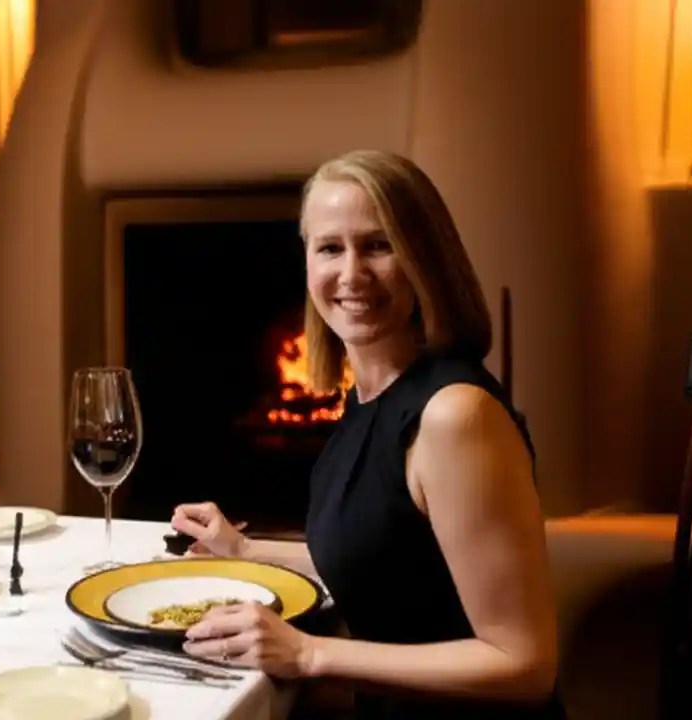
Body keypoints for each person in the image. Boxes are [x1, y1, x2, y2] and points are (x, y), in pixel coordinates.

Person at [172, 150, 565, 719]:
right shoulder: (373, 395)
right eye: (330, 247)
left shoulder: (454, 417)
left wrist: (308, 653)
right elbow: (388, 553)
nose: (352, 274)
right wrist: (246, 550)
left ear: (423, 259)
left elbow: (524, 665)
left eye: (379, 245)